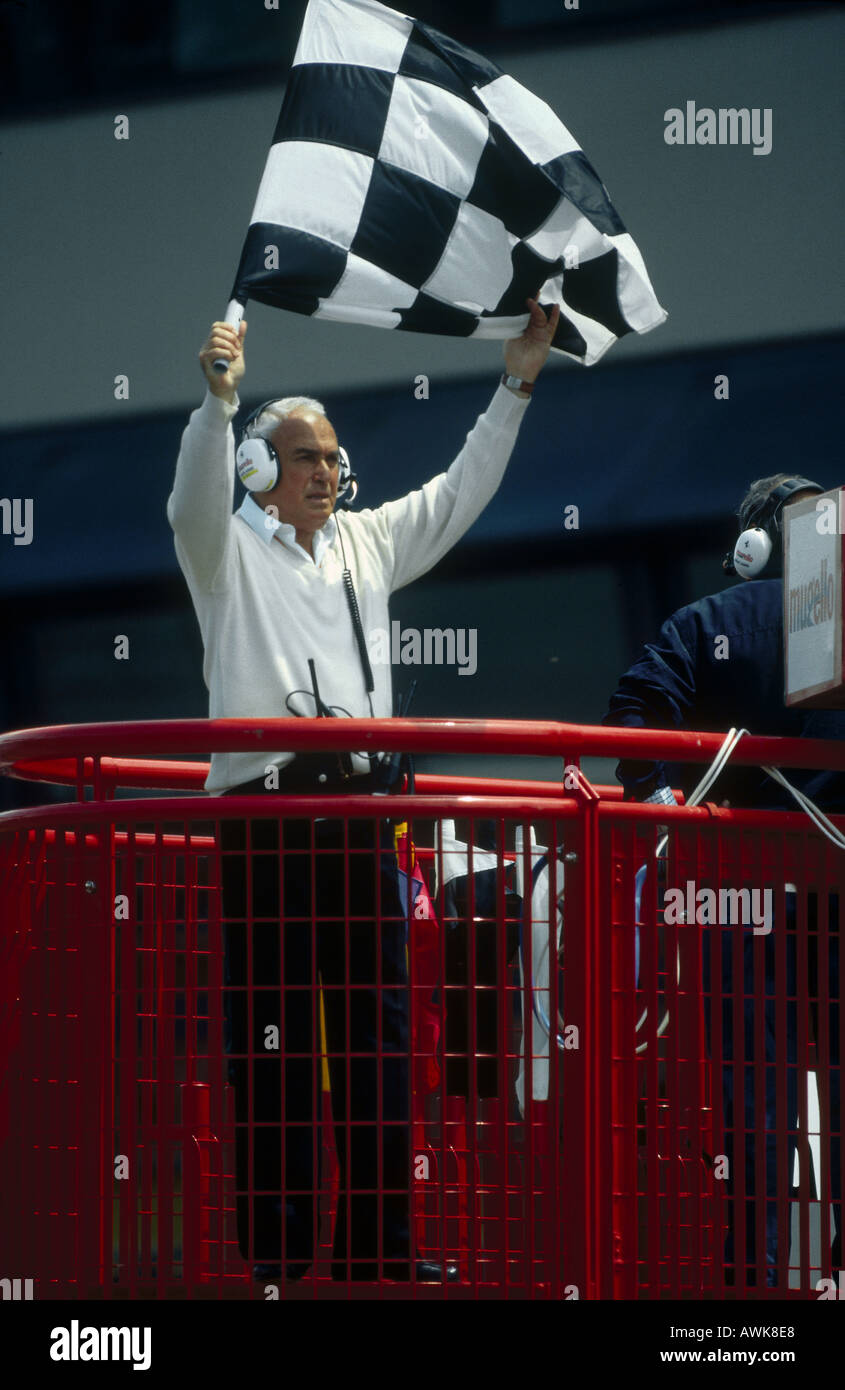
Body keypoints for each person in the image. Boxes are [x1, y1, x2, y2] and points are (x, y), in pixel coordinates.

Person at [167, 300, 560, 1284]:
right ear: (259, 472)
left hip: (362, 819)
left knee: (379, 1035)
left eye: (332, 456)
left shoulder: (365, 545)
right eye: (304, 457)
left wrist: (514, 382)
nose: (325, 471)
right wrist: (217, 408)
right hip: (264, 816)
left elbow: (460, 491)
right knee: (275, 1042)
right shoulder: (226, 554)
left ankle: (377, 1244)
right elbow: (188, 506)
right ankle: (282, 1251)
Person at [603, 473, 844, 1288]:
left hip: (733, 892)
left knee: (754, 1103)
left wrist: (662, 794)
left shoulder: (708, 620)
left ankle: (753, 1284)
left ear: (753, 547)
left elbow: (633, 712)